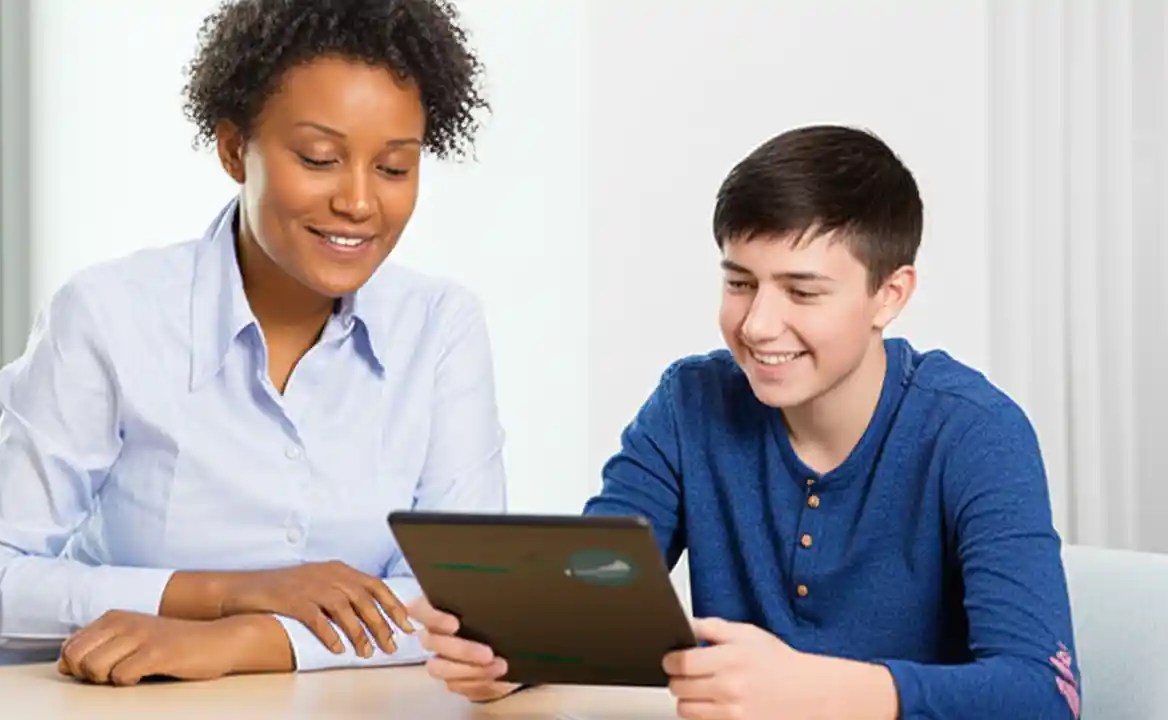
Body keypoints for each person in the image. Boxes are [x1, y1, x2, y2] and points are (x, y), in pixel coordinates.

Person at [411, 125, 1082, 719]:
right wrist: (513, 658)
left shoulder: (976, 433)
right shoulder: (690, 403)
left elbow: (1043, 696)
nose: (757, 325)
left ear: (890, 295)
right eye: (739, 283)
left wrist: (824, 695)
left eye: (802, 291)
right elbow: (591, 600)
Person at [0, 0, 505, 686]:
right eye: (319, 158)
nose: (359, 202)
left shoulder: (440, 329)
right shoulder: (111, 316)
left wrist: (241, 640)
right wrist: (224, 591)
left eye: (393, 168)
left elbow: (463, 602)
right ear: (235, 149)